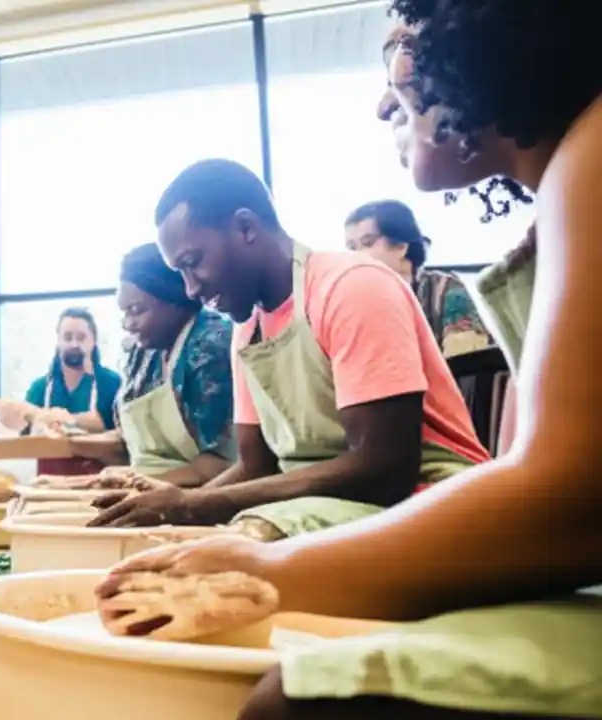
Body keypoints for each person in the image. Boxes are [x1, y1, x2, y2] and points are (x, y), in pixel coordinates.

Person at [100, 3, 602, 718]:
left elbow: (559, 500)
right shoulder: (247, 330)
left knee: (290, 691)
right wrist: (194, 516)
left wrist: (268, 564)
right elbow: (264, 469)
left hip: (417, 488)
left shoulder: (587, 157)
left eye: (405, 46)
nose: (381, 101)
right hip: (400, 506)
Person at [91, 159, 489, 536]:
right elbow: (256, 465)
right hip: (320, 501)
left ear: (246, 228)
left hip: (430, 496)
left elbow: (385, 468)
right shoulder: (246, 327)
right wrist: (180, 504)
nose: (192, 288)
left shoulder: (350, 286)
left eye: (193, 262)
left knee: (230, 553)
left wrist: (196, 506)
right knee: (182, 546)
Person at [69, 243, 234, 484]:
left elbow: (221, 463)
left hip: (202, 497)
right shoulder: (145, 352)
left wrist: (137, 483)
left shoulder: (211, 345)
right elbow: (130, 444)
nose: (127, 323)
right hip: (148, 488)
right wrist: (75, 480)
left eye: (136, 310)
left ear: (174, 299)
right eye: (124, 313)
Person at [344, 199, 492, 357]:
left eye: (368, 243)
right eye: (352, 248)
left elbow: (466, 360)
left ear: (401, 245)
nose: (357, 255)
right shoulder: (353, 305)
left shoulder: (444, 289)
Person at [0, 308, 121, 435]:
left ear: (93, 341)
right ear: (58, 340)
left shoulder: (112, 384)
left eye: (81, 337)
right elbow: (25, 438)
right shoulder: (40, 388)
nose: (74, 344)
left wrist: (66, 419)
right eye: (67, 337)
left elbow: (124, 434)